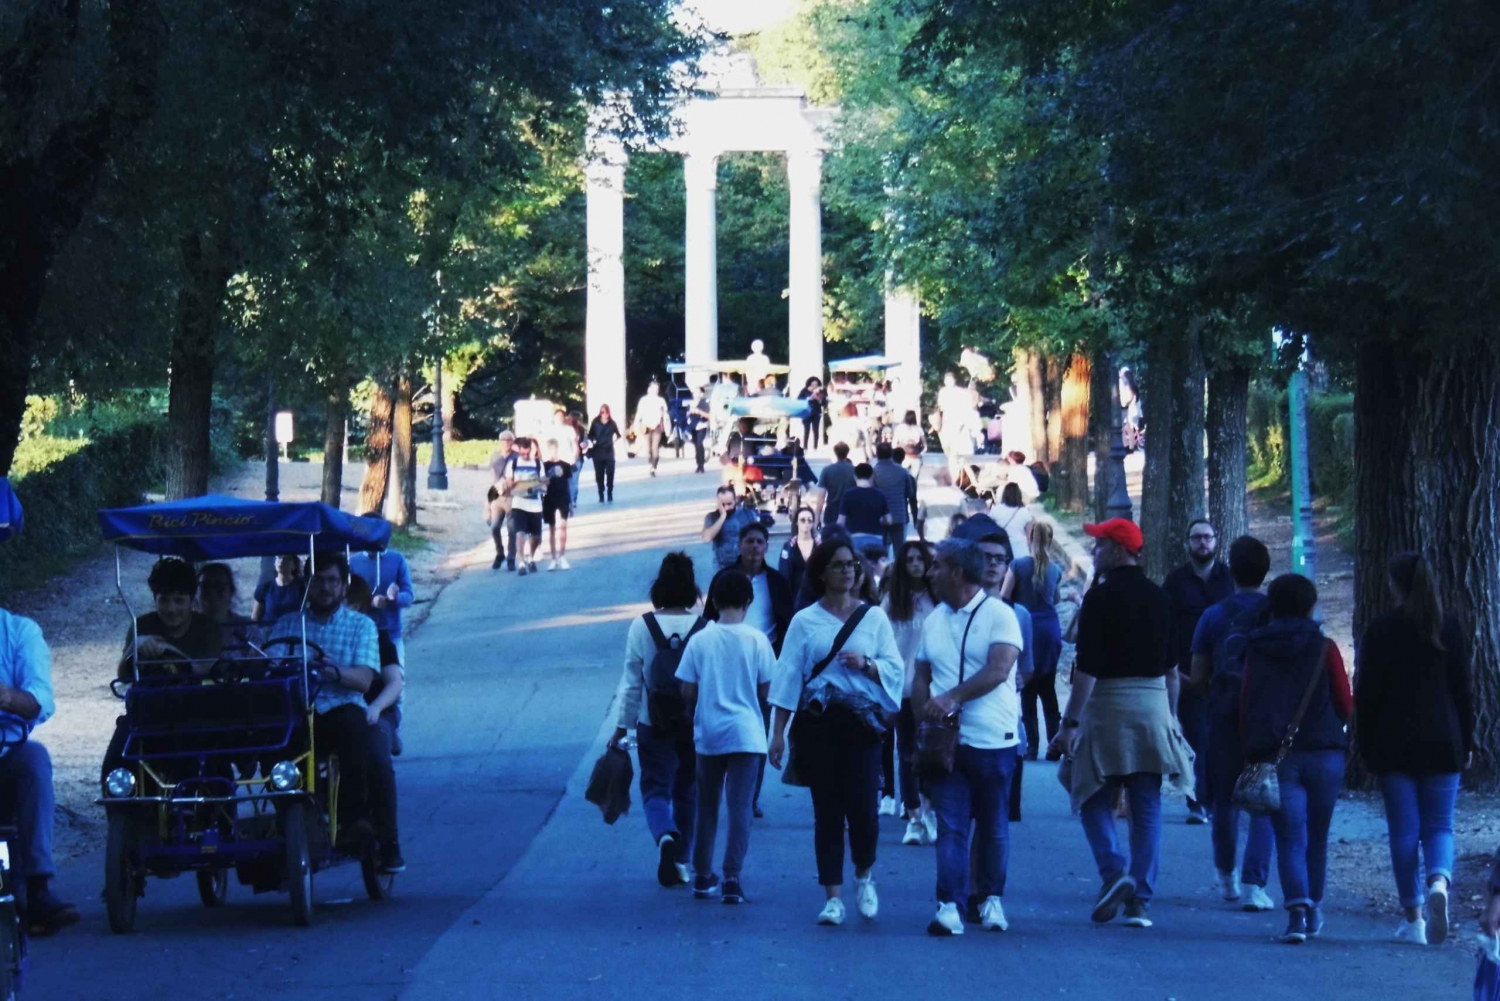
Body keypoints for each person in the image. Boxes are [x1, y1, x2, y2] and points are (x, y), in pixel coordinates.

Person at [1049, 518, 1193, 930]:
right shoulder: (1162, 598)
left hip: (1108, 706)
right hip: (1152, 708)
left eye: (1099, 545)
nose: (1093, 552)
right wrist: (1172, 719)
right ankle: (1140, 901)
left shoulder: (1100, 598)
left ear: (1116, 550)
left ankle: (1115, 873)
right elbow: (1171, 670)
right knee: (1146, 804)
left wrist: (1070, 723)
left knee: (1091, 793)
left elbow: (1087, 669)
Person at [768, 539, 905, 927]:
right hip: (818, 723)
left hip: (860, 724)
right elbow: (787, 676)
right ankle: (833, 896)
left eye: (851, 566)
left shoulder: (873, 618)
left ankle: (864, 873)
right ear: (821, 573)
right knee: (826, 812)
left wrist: (868, 665)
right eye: (838, 565)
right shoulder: (804, 621)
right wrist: (777, 732)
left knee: (863, 809)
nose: (847, 572)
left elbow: (895, 670)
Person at [1355, 551, 1473, 946]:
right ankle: (1438, 880)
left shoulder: (1381, 629)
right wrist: (1467, 740)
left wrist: (1365, 745)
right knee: (1440, 825)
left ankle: (1414, 918)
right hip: (1444, 738)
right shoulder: (1449, 627)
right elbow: (1463, 691)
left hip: (1394, 742)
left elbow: (1367, 694)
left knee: (1403, 832)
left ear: (1395, 585)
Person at [915, 538, 1025, 936]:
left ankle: (990, 900)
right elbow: (921, 675)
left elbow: (999, 669)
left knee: (994, 825)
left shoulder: (1000, 615)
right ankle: (949, 906)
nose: (930, 573)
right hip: (946, 743)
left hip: (994, 738)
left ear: (957, 572)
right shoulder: (933, 620)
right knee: (952, 826)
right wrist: (920, 722)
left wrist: (951, 698)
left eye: (937, 566)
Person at [1240, 573, 1351, 945]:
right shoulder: (1325, 648)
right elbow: (1344, 701)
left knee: (1289, 836)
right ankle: (1315, 905)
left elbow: (1247, 701)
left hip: (1278, 755)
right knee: (1317, 835)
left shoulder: (1256, 648)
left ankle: (1296, 913)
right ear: (1310, 605)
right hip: (1325, 751)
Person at [1188, 534, 1276, 912]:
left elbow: (1198, 673)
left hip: (1223, 715)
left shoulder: (1214, 616)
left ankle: (1227, 875)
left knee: (1224, 800)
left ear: (1232, 570)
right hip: (1268, 718)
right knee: (1263, 801)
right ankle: (1257, 883)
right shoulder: (1278, 613)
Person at [676, 571, 776, 904]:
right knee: (740, 808)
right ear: (748, 602)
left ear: (714, 601)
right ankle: (732, 878)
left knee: (707, 806)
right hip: (747, 732)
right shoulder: (757, 640)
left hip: (709, 732)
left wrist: (699, 704)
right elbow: (766, 690)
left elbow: (687, 688)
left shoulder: (700, 640)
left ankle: (702, 875)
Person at [268, 554, 378, 849]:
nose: (325, 587)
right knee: (268, 736)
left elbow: (364, 680)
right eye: (318, 580)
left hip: (338, 708)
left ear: (344, 587)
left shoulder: (361, 625)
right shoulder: (288, 624)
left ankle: (353, 818)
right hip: (296, 711)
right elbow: (269, 666)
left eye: (332, 581)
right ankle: (288, 809)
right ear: (307, 583)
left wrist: (335, 671)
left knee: (353, 727)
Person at [612, 553, 704, 888]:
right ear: (692, 586)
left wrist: (623, 728)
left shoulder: (642, 626)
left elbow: (632, 682)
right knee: (688, 789)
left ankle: (665, 835)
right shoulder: (703, 626)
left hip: (654, 720)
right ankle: (682, 861)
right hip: (694, 721)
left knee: (655, 786)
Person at [705, 522, 793, 818]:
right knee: (727, 730)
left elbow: (788, 625)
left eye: (759, 542)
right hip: (728, 665)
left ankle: (748, 798)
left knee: (757, 735)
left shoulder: (777, 583)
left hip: (765, 667)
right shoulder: (724, 579)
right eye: (749, 541)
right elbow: (708, 621)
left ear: (766, 547)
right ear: (740, 546)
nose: (754, 547)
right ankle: (724, 791)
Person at [0, 605, 77, 935]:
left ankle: (38, 886)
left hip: (6, 756)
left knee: (35, 759)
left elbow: (40, 699)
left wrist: (5, 696)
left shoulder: (18, 632)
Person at [1163, 518, 1234, 824]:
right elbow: (1163, 627)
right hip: (1187, 676)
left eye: (1207, 537)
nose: (1202, 543)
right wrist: (1172, 671)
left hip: (1226, 677)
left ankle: (1220, 799)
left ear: (1216, 541)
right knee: (1195, 740)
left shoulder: (1228, 579)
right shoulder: (1175, 582)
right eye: (1196, 538)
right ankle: (1196, 802)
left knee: (1221, 739)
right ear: (1188, 543)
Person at [344, 576, 406, 873]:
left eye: (347, 603)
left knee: (378, 759)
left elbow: (395, 683)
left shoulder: (377, 637)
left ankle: (389, 842)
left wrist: (377, 708)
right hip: (340, 712)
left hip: (375, 712)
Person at [882, 540, 938, 847]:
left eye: (920, 559)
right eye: (910, 560)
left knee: (933, 751)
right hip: (902, 688)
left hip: (933, 688)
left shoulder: (938, 598)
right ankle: (914, 815)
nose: (915, 564)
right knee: (906, 752)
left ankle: (931, 809)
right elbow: (882, 642)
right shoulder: (892, 601)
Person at [1005, 520, 1064, 762]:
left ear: (1028, 538)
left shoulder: (1017, 566)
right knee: (1048, 689)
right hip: (1049, 628)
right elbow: (1056, 599)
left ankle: (1032, 746)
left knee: (1028, 688)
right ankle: (1054, 744)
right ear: (1050, 541)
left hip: (1026, 626)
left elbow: (1004, 595)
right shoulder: (1056, 570)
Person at [348, 521, 416, 666]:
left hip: (391, 634)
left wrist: (395, 598)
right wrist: (371, 601)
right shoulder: (353, 563)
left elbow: (409, 596)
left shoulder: (397, 560)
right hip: (361, 635)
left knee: (397, 680)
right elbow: (347, 599)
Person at [702, 485, 765, 572]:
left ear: (735, 500)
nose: (726, 508)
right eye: (723, 504)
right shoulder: (712, 517)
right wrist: (722, 516)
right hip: (722, 567)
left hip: (745, 565)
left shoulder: (747, 514)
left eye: (729, 504)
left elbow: (759, 538)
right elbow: (707, 538)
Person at [507, 438, 546, 575]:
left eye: (527, 453)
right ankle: (522, 562)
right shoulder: (513, 464)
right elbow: (509, 483)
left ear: (530, 450)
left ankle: (530, 557)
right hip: (519, 503)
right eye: (522, 453)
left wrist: (542, 486)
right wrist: (515, 483)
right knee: (520, 533)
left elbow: (543, 483)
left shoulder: (538, 464)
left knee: (536, 537)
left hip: (535, 504)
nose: (524, 456)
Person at [871, 442, 918, 554]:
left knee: (881, 550)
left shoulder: (873, 472)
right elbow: (909, 493)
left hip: (880, 516)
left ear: (877, 454)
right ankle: (898, 570)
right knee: (900, 549)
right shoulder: (902, 471)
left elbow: (871, 493)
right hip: (898, 515)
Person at [196, 563, 256, 649]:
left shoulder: (248, 629)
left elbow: (261, 660)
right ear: (196, 592)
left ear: (231, 591)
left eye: (220, 586)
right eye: (205, 586)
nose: (212, 592)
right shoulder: (184, 629)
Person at [836, 463, 890, 544]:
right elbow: (889, 520)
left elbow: (841, 522)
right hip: (876, 538)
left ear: (855, 476)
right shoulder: (880, 494)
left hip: (855, 537)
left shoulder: (848, 494)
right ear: (872, 476)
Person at [487, 430, 519, 567]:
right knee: (495, 527)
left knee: (512, 529)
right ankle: (500, 553)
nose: (506, 443)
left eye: (509, 440)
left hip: (512, 496)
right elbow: (492, 474)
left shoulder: (517, 457)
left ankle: (511, 557)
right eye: (504, 440)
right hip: (497, 496)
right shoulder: (495, 456)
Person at [541, 439, 573, 571]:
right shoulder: (544, 466)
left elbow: (570, 484)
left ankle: (562, 555)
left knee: (563, 527)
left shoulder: (566, 465)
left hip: (563, 496)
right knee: (552, 529)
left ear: (557, 448)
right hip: (550, 498)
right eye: (550, 449)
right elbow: (542, 482)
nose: (552, 451)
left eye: (554, 448)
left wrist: (571, 502)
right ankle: (553, 558)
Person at [778, 506, 819, 599]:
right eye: (803, 520)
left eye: (810, 520)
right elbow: (783, 574)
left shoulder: (820, 546)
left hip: (817, 596)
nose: (806, 523)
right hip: (794, 596)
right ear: (797, 522)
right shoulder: (788, 547)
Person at [252, 554, 305, 624]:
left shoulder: (302, 586)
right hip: (270, 632)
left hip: (294, 630)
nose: (282, 560)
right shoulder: (265, 588)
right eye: (279, 557)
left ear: (294, 566)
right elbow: (255, 620)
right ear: (274, 563)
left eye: (287, 558)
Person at [815, 442, 856, 530]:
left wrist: (817, 518)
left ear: (835, 453)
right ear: (847, 453)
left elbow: (821, 498)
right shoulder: (854, 470)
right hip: (850, 512)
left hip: (831, 511)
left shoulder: (827, 470)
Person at [587, 405, 622, 503]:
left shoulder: (612, 423)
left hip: (609, 450)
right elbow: (590, 435)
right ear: (600, 413)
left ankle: (610, 492)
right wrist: (592, 442)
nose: (605, 414)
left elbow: (618, 435)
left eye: (606, 412)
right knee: (599, 474)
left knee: (610, 472)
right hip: (598, 451)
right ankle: (601, 494)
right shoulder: (595, 422)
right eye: (602, 412)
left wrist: (613, 441)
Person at [634, 381, 670, 477]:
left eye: (656, 389)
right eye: (653, 388)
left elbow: (665, 414)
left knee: (655, 447)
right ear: (649, 389)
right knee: (648, 448)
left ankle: (653, 467)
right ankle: (650, 458)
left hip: (657, 426)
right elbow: (639, 413)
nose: (655, 390)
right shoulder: (643, 400)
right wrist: (636, 424)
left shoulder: (661, 400)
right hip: (646, 426)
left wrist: (666, 427)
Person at [550, 407, 583, 509]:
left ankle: (570, 501)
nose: (559, 418)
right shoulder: (549, 430)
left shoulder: (569, 430)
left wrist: (575, 455)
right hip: (555, 459)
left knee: (570, 482)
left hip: (568, 459)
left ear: (564, 418)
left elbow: (574, 444)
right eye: (557, 416)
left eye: (561, 416)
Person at [992, 483, 1033, 562]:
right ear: (1019, 495)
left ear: (1004, 494)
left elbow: (991, 530)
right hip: (1020, 551)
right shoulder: (1025, 512)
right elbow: (1029, 537)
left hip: (1001, 548)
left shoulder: (996, 510)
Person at [688, 385, 712, 474]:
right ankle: (698, 464)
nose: (695, 394)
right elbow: (687, 414)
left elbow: (709, 415)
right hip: (693, 426)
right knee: (696, 445)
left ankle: (701, 465)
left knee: (699, 444)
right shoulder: (691, 403)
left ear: (701, 394)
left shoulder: (704, 403)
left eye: (697, 392)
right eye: (694, 392)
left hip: (701, 426)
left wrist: (699, 411)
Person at [798, 377, 825, 450]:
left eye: (816, 384)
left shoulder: (820, 391)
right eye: (813, 384)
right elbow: (799, 399)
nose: (814, 386)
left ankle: (815, 447)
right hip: (807, 413)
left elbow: (824, 403)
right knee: (806, 430)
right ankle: (805, 447)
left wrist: (819, 399)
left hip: (816, 413)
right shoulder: (804, 391)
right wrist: (809, 398)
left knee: (815, 430)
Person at [893, 410, 924, 475]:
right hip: (916, 457)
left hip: (903, 457)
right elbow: (925, 446)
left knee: (902, 479)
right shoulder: (918, 429)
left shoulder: (899, 428)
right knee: (913, 481)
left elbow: (894, 445)